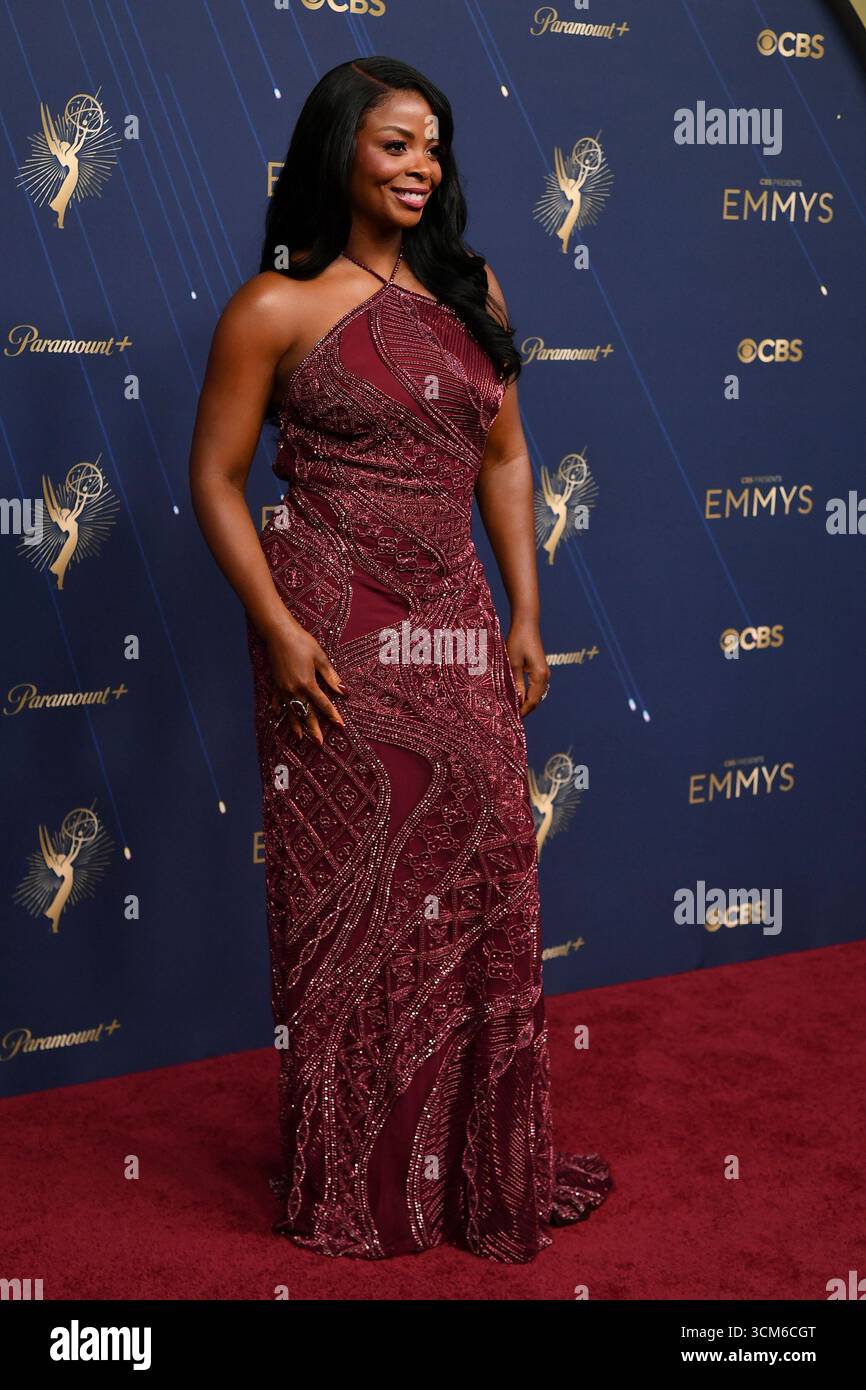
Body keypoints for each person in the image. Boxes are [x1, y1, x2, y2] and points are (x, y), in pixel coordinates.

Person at [188, 55, 611, 1263]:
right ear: (339, 155)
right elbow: (214, 479)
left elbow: (505, 459)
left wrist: (526, 612)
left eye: (432, 145)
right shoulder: (270, 308)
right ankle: (362, 1181)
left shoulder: (471, 285)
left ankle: (475, 1173)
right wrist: (275, 626)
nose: (421, 165)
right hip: (329, 632)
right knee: (351, 897)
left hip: (455, 619)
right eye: (393, 145)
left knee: (479, 882)